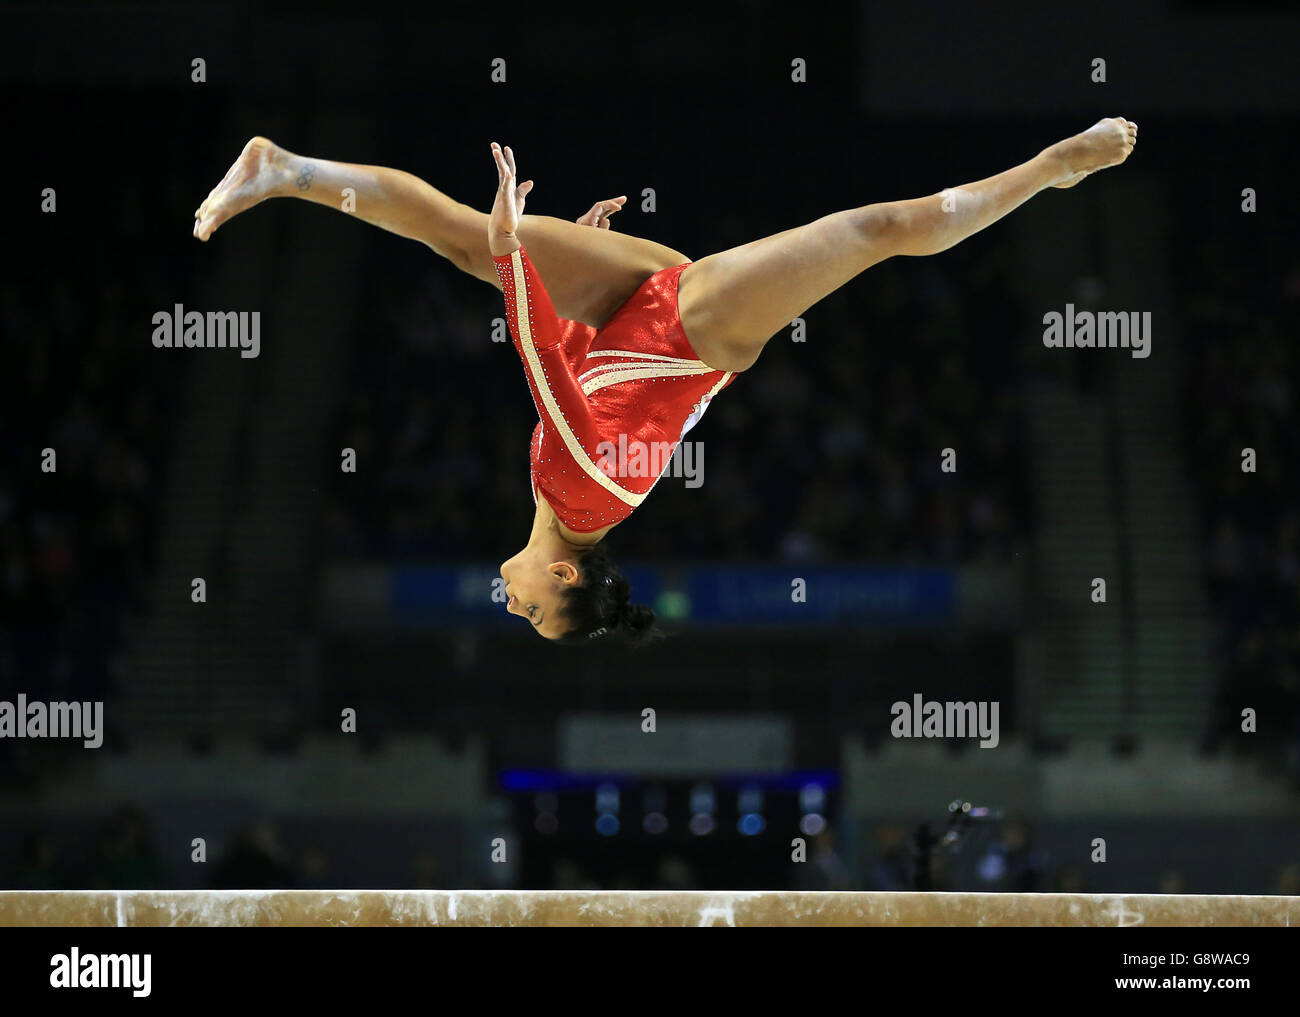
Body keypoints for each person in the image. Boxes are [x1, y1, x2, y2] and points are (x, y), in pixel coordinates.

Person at [194, 119, 1137, 643]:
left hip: (632, 311)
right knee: (875, 231)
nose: (508, 598)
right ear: (563, 575)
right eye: (528, 608)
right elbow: (546, 369)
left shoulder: (569, 504)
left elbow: (583, 366)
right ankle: (1048, 169)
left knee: (461, 243)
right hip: (696, 325)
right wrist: (522, 257)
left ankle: (285, 167)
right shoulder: (582, 494)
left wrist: (558, 259)